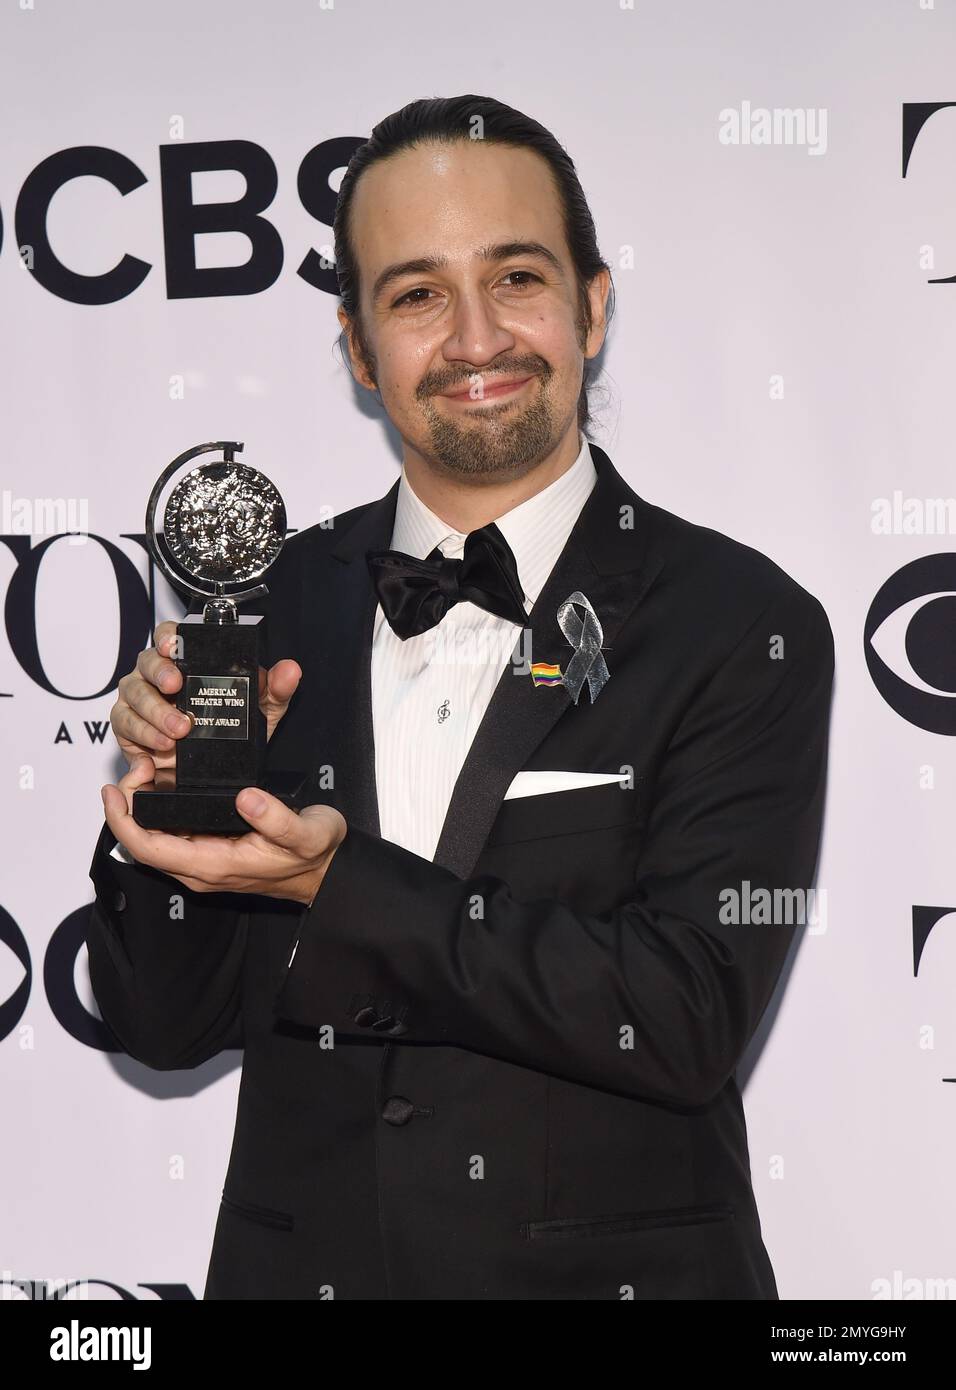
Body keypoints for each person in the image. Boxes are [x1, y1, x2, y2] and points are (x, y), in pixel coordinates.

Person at [87, 94, 835, 1300]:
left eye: (517, 277)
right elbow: (162, 1027)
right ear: (355, 346)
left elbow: (686, 1014)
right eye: (417, 293)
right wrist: (168, 812)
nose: (476, 337)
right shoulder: (271, 615)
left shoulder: (738, 622)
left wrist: (339, 885)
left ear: (592, 306)